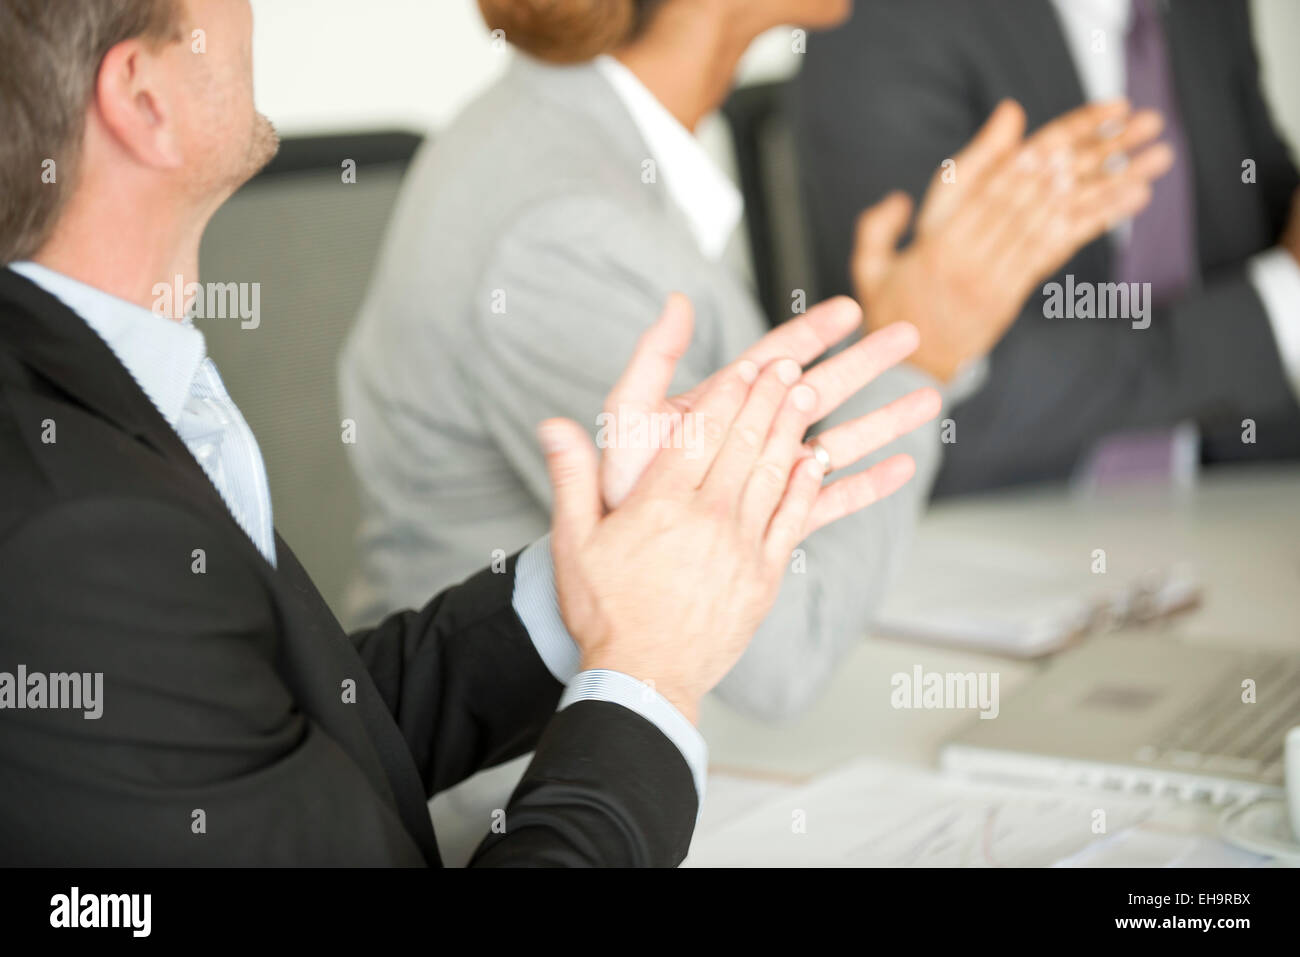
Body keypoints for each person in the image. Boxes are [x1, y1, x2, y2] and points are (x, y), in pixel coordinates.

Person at [0, 0, 944, 866]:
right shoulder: (78, 535)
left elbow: (282, 738)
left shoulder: (95, 390)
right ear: (142, 99)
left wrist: (596, 577)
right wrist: (644, 673)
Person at [339, 0, 1171, 720]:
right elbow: (776, 657)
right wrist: (921, 350)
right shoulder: (568, 235)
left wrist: (908, 321)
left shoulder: (578, 137)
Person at [795, 0, 1300, 496]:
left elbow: (1263, 214)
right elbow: (944, 385)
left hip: (1243, 501)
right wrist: (1282, 304)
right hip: (1000, 524)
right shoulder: (885, 21)